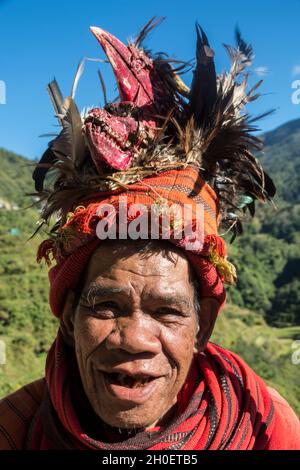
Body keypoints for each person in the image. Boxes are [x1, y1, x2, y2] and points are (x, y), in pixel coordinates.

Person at [0, 19, 299, 450]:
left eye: (167, 312)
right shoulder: (14, 431)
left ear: (203, 326)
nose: (135, 339)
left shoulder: (267, 429)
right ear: (68, 317)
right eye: (105, 305)